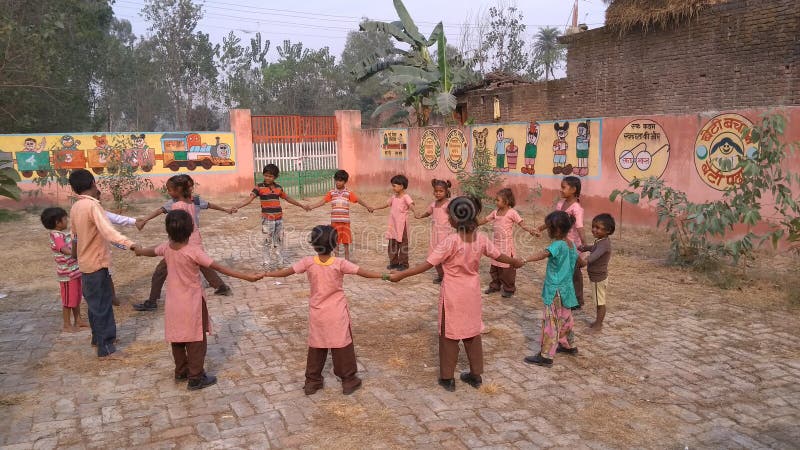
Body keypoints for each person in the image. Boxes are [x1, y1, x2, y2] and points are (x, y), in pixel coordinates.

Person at [390, 196, 524, 391]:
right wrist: (514, 262)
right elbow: (498, 255)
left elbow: (427, 265)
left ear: (453, 220)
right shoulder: (481, 239)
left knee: (449, 335)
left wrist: (401, 275)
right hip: (472, 294)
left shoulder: (450, 242)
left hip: (452, 295)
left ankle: (447, 378)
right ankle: (475, 375)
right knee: (472, 332)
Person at [134, 210, 263, 390]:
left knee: (177, 338)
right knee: (196, 340)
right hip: (192, 303)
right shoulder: (193, 251)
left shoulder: (167, 248)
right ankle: (195, 378)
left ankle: (181, 371)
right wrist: (246, 277)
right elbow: (219, 268)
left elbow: (151, 251)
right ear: (191, 229)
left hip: (173, 304)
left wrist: (139, 251)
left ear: (168, 230)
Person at [261, 225, 383, 395]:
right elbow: (363, 272)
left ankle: (312, 381)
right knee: (342, 345)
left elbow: (285, 273)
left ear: (313, 244)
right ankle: (348, 380)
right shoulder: (340, 263)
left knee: (316, 345)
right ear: (335, 244)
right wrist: (385, 276)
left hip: (317, 313)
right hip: (337, 313)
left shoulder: (308, 262)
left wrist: (265, 275)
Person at [133, 175, 235, 311]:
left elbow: (207, 206)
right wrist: (145, 219)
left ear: (179, 189)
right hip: (193, 241)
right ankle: (221, 287)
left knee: (160, 271)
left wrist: (226, 210)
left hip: (182, 243)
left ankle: (152, 301)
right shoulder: (191, 202)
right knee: (203, 264)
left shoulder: (178, 204)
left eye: (169, 189)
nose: (168, 192)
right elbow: (161, 210)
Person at [68, 169, 137, 359]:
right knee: (102, 305)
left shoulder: (75, 207)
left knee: (95, 304)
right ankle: (106, 349)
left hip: (86, 262)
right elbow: (108, 232)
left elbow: (74, 237)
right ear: (92, 183)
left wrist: (75, 255)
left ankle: (98, 339)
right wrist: (131, 245)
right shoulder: (92, 206)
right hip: (96, 262)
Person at [523, 210, 580, 367]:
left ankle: (546, 356)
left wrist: (525, 259)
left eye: (549, 228)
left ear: (558, 230)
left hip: (555, 291)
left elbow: (543, 254)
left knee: (551, 322)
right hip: (567, 290)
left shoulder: (558, 244)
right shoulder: (571, 245)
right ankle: (568, 346)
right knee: (566, 318)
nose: (547, 231)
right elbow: (579, 262)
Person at [234, 164, 309, 269]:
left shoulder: (279, 188)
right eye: (266, 175)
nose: (267, 178)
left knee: (278, 241)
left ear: (275, 177)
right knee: (266, 241)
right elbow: (249, 199)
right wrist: (237, 206)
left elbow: (288, 198)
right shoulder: (259, 187)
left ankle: (280, 261)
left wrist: (302, 205)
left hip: (279, 219)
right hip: (267, 220)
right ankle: (266, 262)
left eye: (270, 176)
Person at [538, 176, 587, 309]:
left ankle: (577, 300)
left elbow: (580, 227)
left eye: (563, 187)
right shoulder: (561, 204)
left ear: (573, 189)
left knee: (575, 272)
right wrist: (539, 229)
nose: (561, 190)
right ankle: (565, 297)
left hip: (573, 247)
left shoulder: (576, 208)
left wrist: (584, 245)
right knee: (564, 271)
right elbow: (553, 220)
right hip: (561, 244)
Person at [479, 188, 538, 298]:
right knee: (495, 267)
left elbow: (522, 224)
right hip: (496, 244)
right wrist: (474, 223)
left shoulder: (512, 213)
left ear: (506, 201)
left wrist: (531, 230)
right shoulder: (495, 212)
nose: (495, 202)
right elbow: (485, 220)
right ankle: (495, 285)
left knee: (507, 269)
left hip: (506, 246)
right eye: (495, 200)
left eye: (498, 200)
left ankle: (509, 288)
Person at [306, 169, 374, 261]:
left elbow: (358, 200)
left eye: (340, 180)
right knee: (335, 242)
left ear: (345, 181)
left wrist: (367, 206)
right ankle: (336, 260)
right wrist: (312, 206)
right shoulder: (331, 193)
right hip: (335, 222)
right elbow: (323, 202)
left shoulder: (348, 193)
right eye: (337, 180)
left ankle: (347, 261)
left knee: (346, 242)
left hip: (345, 223)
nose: (338, 182)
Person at [40, 207, 88, 332]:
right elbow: (63, 248)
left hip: (74, 271)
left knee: (76, 297)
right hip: (67, 274)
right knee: (68, 300)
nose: (67, 221)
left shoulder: (62, 234)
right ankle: (67, 324)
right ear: (57, 222)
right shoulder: (56, 235)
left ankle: (78, 320)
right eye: (65, 218)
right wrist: (73, 252)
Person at [578, 213, 615, 331]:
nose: (594, 229)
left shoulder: (604, 244)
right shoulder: (600, 240)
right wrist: (586, 248)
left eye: (598, 228)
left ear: (608, 230)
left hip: (599, 279)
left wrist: (584, 261)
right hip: (596, 277)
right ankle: (597, 321)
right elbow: (594, 249)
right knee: (598, 301)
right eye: (593, 226)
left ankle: (599, 324)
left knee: (600, 303)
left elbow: (595, 255)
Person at [372, 174, 416, 270]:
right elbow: (386, 204)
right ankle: (394, 262)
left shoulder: (406, 197)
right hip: (393, 226)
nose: (393, 188)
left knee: (403, 244)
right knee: (392, 244)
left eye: (394, 186)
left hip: (402, 226)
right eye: (392, 185)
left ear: (402, 186)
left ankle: (404, 264)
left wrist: (415, 212)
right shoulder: (393, 197)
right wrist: (374, 208)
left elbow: (411, 205)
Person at [415, 179, 452, 283]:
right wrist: (420, 216)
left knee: (445, 257)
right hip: (435, 235)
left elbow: (455, 216)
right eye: (436, 191)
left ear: (446, 191)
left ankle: (447, 277)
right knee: (435, 256)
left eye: (441, 191)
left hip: (445, 235)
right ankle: (441, 276)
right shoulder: (434, 204)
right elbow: (428, 212)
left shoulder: (448, 205)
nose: (438, 193)